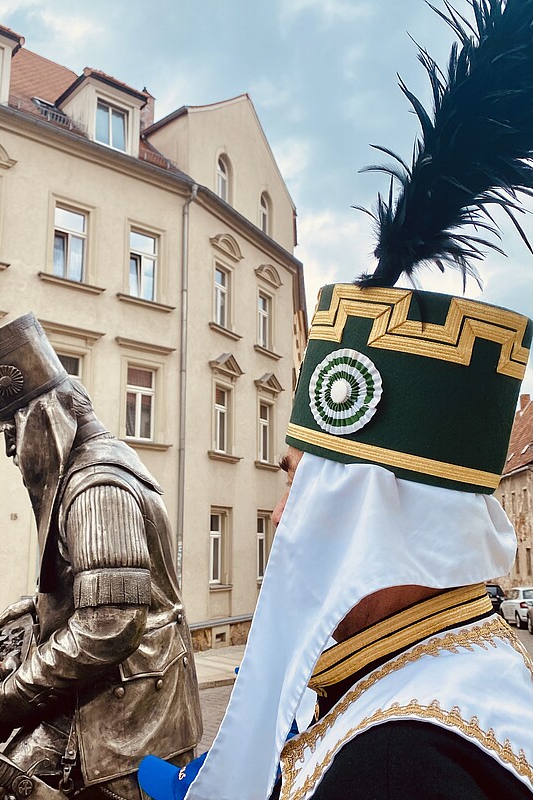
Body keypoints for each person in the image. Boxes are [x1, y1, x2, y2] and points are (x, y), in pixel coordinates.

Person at [138, 0, 533, 797]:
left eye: (297, 479)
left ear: (377, 511)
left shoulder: (398, 759)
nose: (282, 518)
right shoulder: (442, 679)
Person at [0, 250, 203, 800]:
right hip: (112, 697)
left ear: (43, 423)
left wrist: (7, 699)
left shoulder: (96, 485)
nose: (11, 448)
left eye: (13, 428)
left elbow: (108, 625)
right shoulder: (99, 468)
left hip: (121, 719)